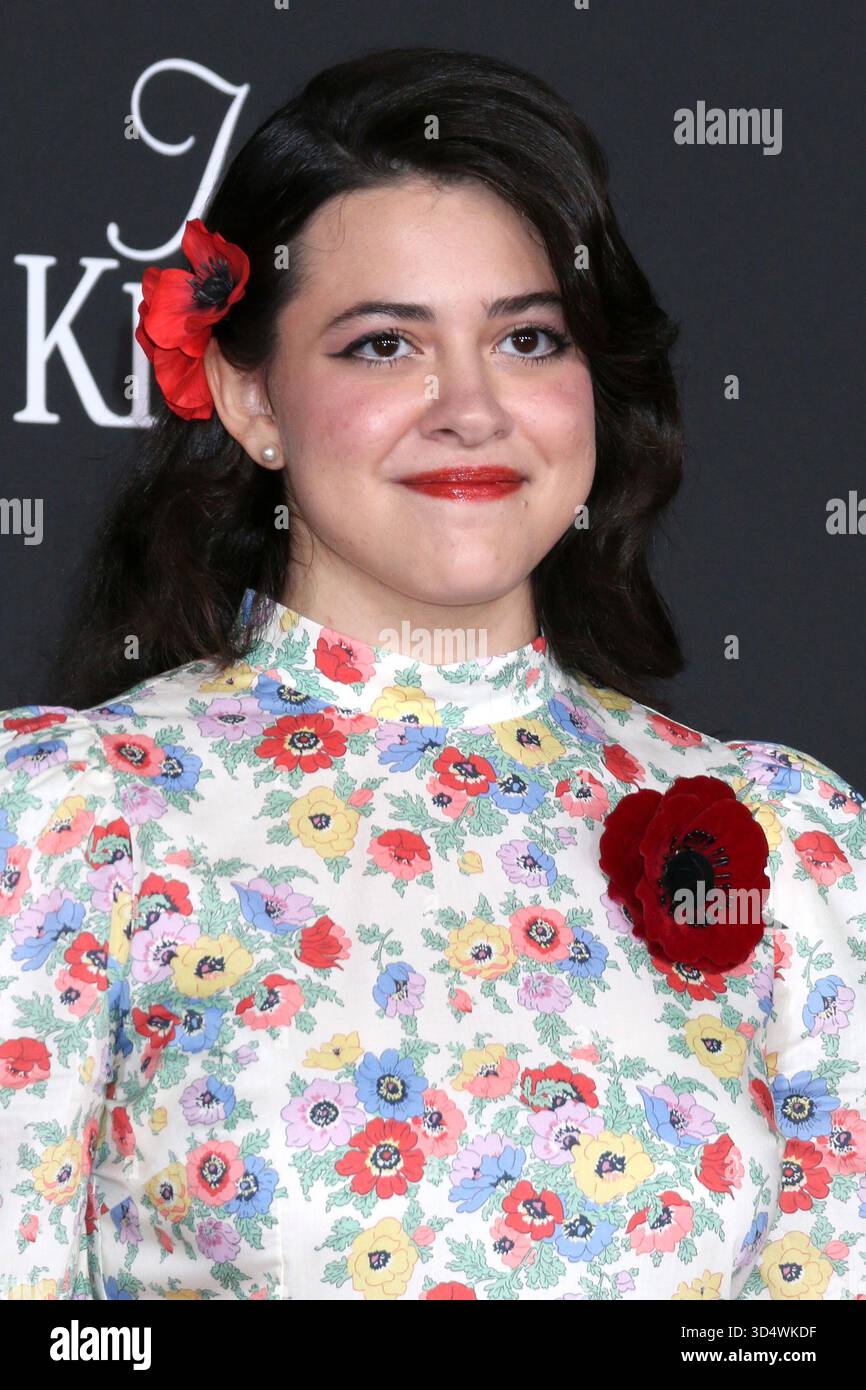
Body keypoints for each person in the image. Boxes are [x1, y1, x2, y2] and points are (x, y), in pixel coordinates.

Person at [1, 46, 863, 1303]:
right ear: (250, 397)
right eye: (380, 347)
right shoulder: (71, 823)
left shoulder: (792, 849)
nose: (470, 406)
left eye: (524, 337)